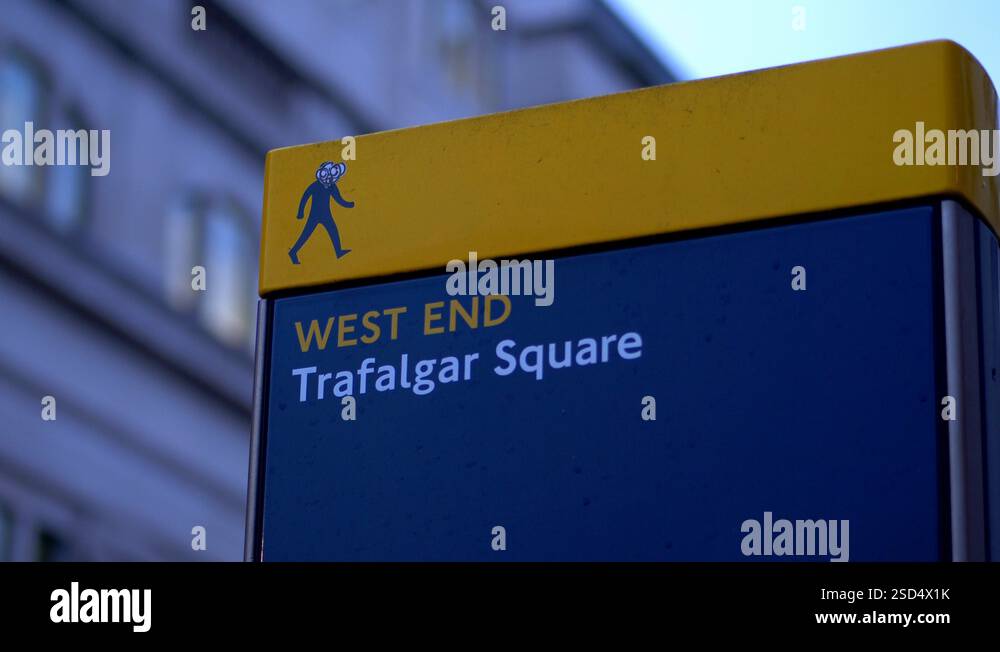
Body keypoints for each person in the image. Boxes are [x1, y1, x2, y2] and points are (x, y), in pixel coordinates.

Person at [289, 161, 355, 264]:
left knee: (333, 230)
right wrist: (300, 212)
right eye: (326, 172)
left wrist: (349, 204)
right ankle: (293, 252)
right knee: (305, 234)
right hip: (314, 215)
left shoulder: (332, 187)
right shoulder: (315, 185)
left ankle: (338, 251)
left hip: (326, 214)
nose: (329, 175)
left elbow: (339, 199)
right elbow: (305, 197)